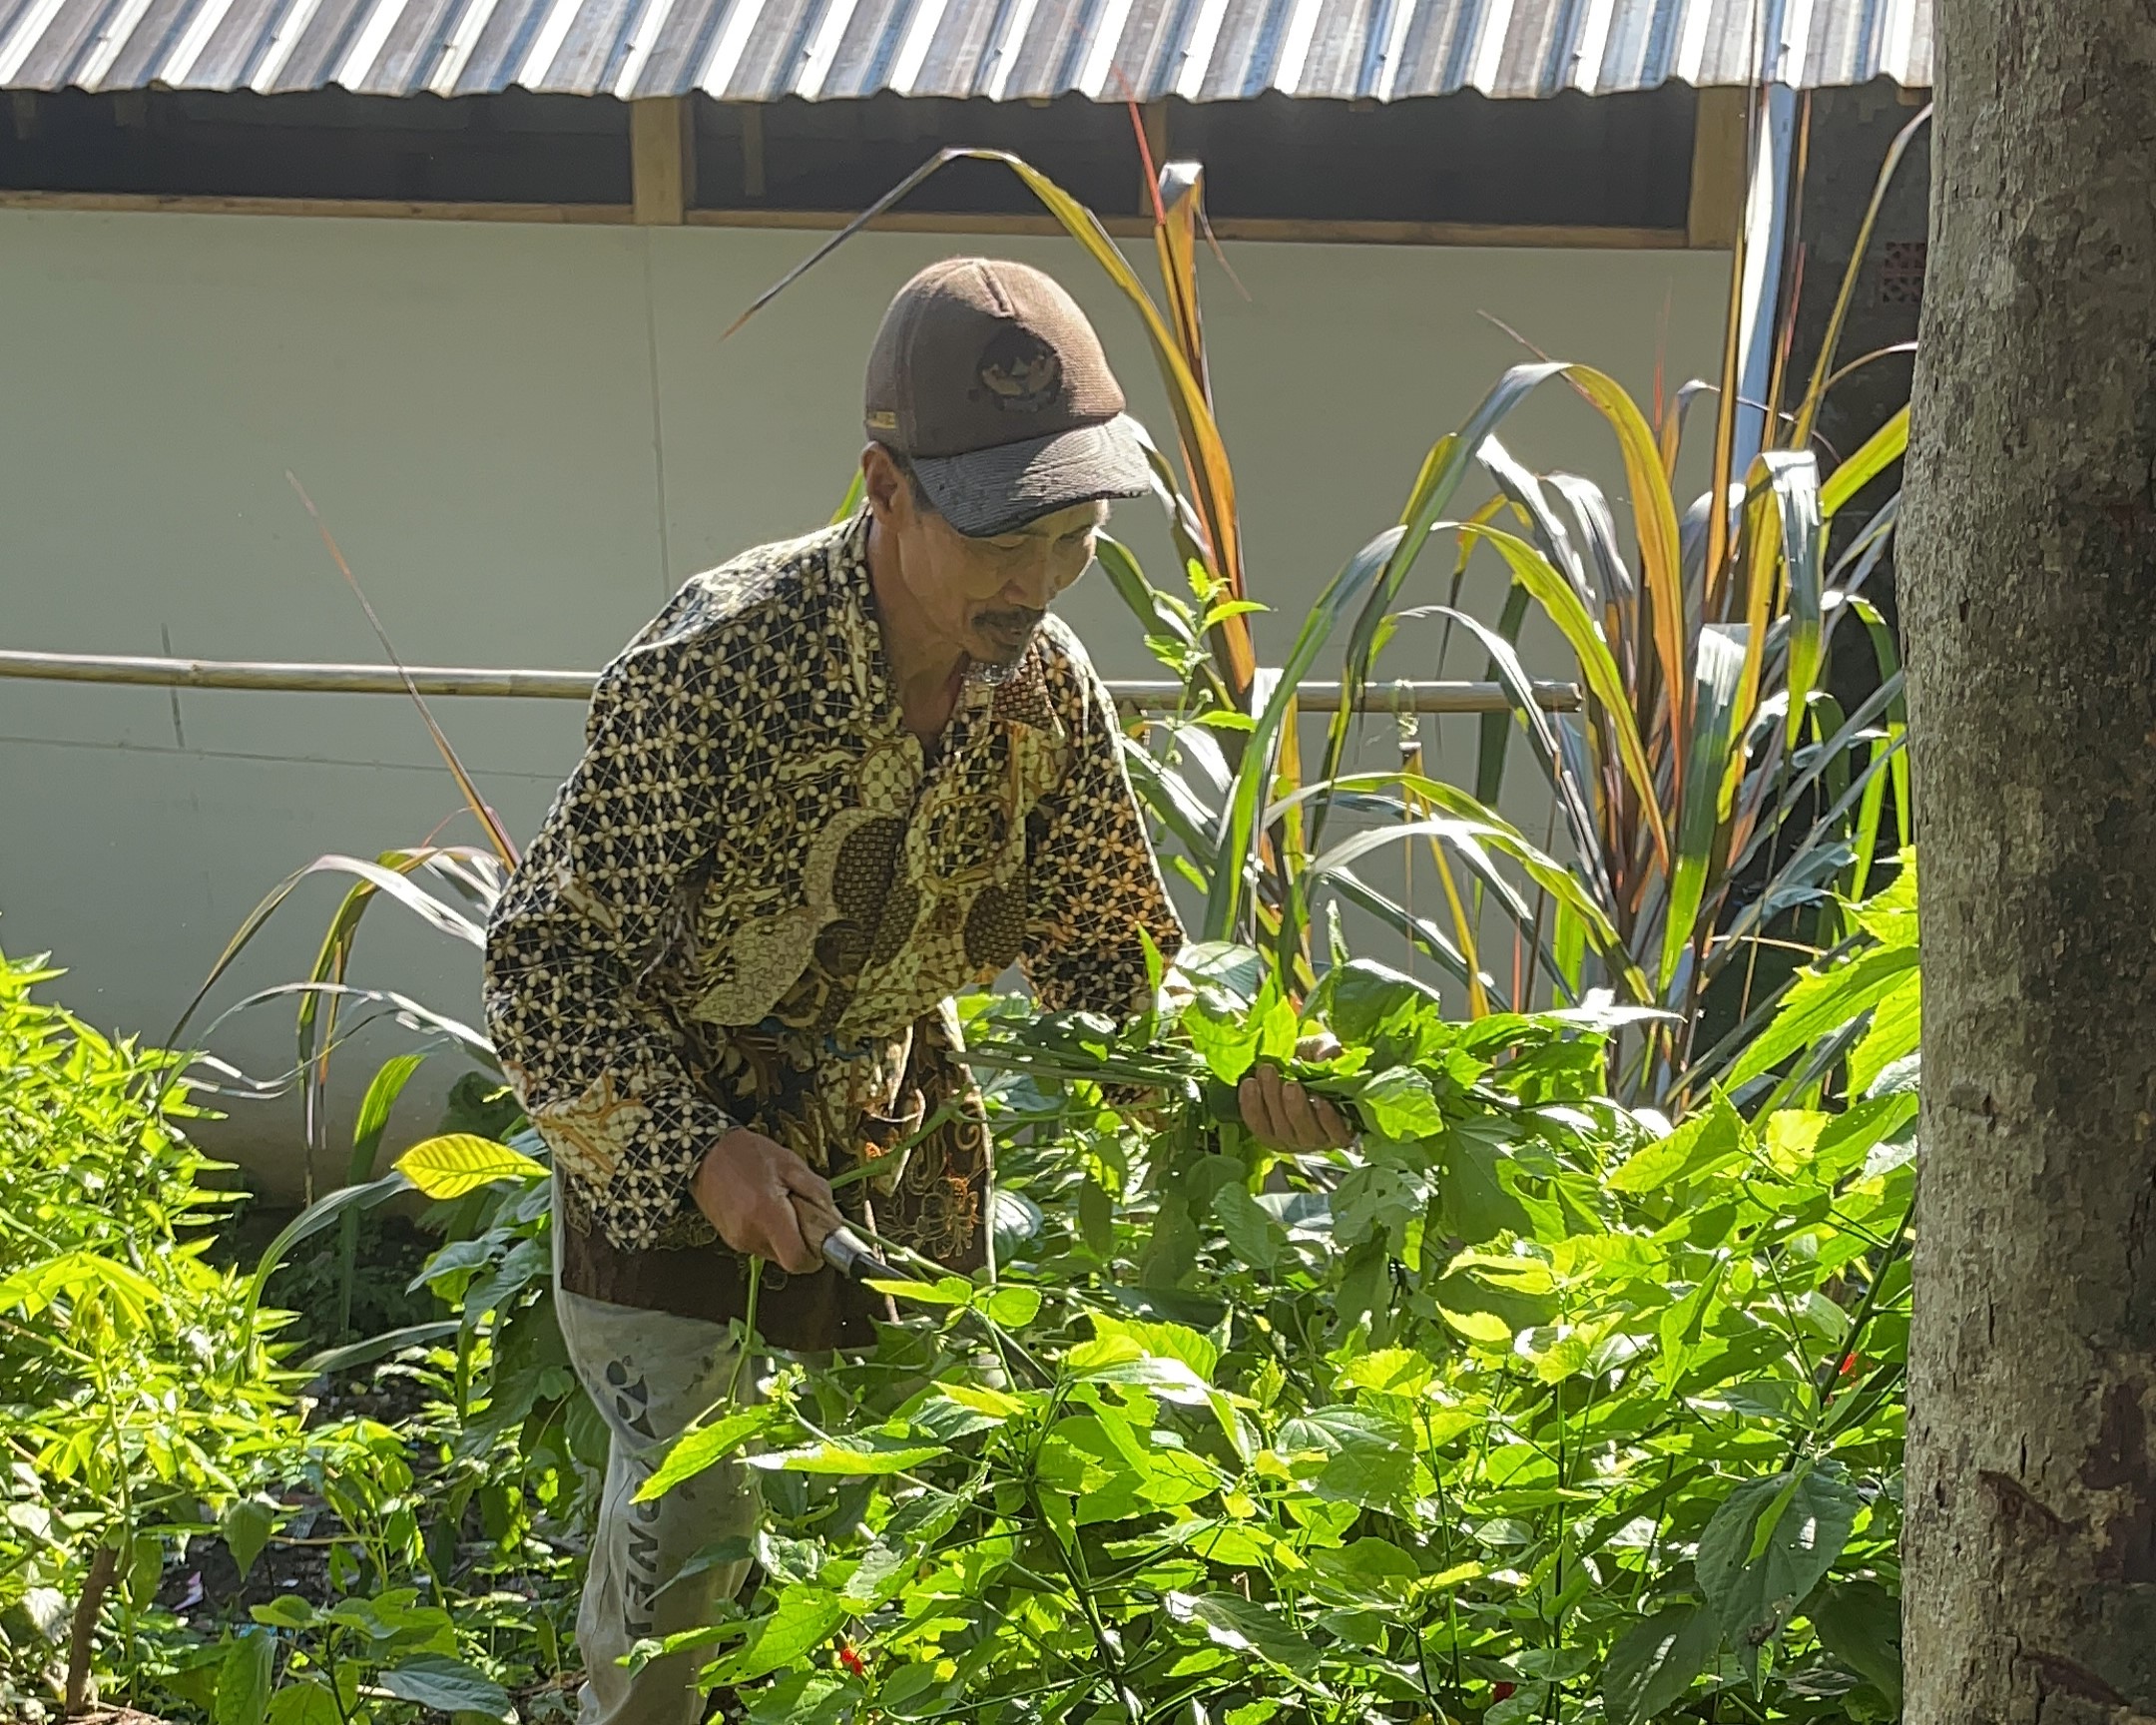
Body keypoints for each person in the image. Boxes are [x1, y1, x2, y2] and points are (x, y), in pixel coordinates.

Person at [482, 257, 1350, 1725]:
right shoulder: (717, 670)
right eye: (999, 532)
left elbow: (1107, 969)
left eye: (1072, 533)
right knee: (691, 1543)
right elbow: (541, 965)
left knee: (918, 1549)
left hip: (902, 1155)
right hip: (671, 1145)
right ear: (883, 487)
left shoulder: (1047, 689)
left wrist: (1249, 1064)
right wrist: (701, 1155)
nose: (1037, 574)